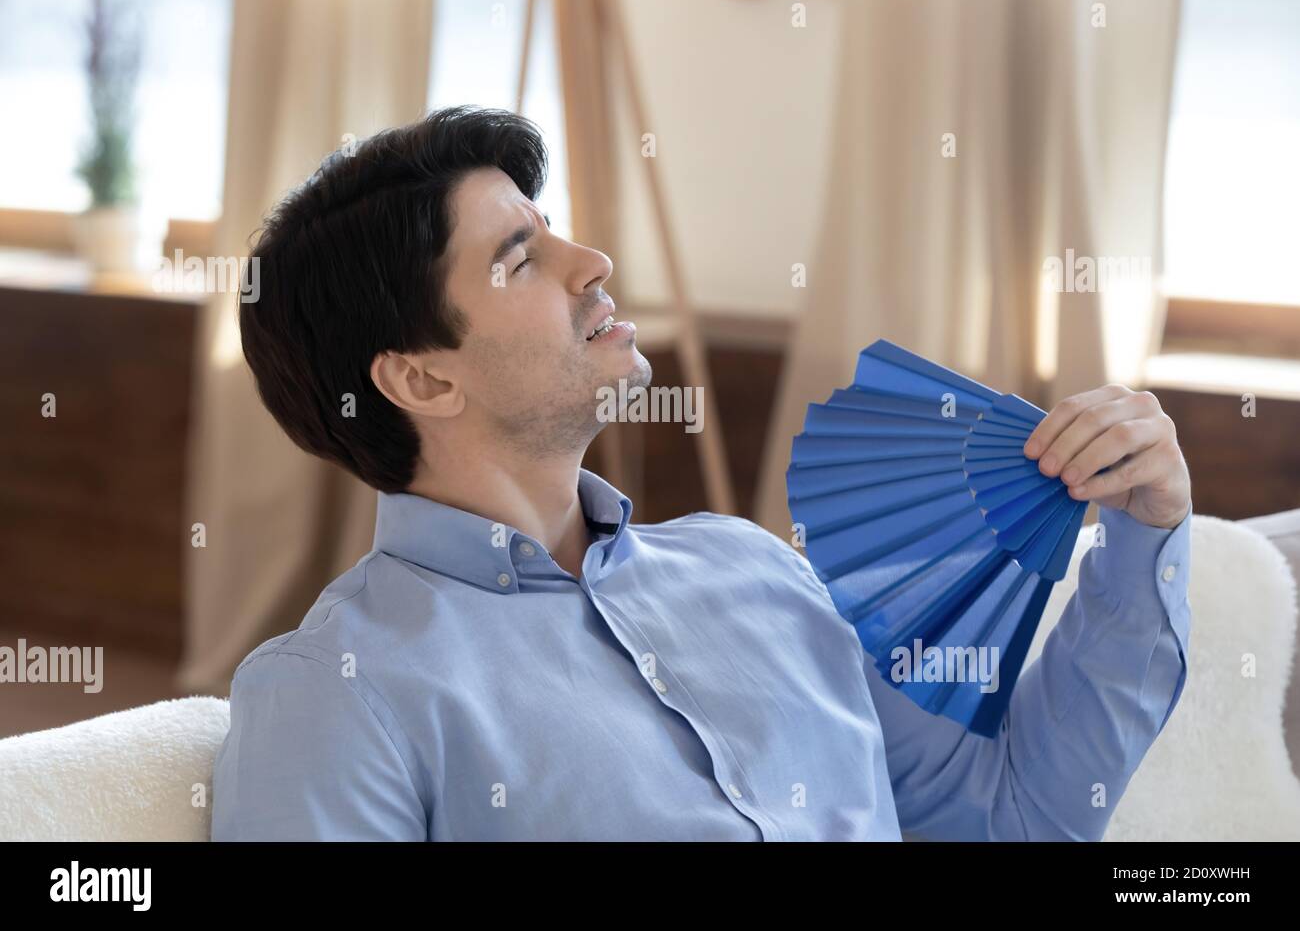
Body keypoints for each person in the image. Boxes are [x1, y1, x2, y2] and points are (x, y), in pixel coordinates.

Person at [212, 106, 1193, 841]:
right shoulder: (341, 692)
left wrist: (1141, 535)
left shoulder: (755, 569)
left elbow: (1014, 817)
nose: (590, 260)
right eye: (519, 258)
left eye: (553, 228)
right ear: (421, 375)